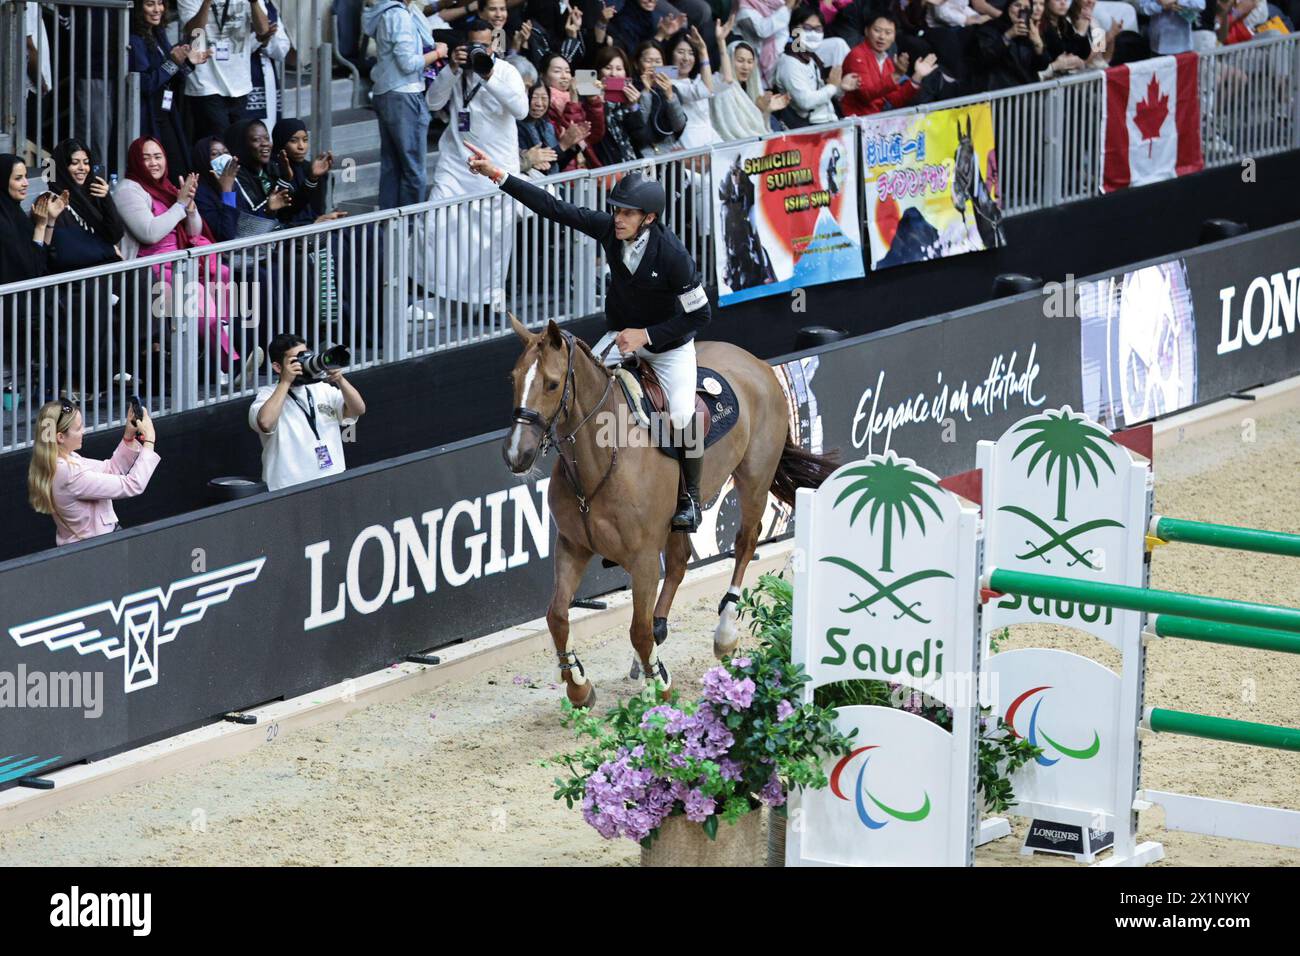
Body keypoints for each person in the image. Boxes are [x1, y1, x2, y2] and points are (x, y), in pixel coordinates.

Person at [467, 147, 712, 531]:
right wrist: (499, 176)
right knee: (574, 390)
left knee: (682, 417)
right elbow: (554, 208)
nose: (618, 219)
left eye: (627, 213)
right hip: (619, 336)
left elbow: (701, 314)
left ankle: (691, 499)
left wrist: (647, 334)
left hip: (668, 348)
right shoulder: (609, 231)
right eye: (616, 210)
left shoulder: (674, 257)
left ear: (648, 218)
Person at [425, 18, 528, 313]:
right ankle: (438, 294)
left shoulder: (507, 71)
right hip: (456, 164)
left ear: (494, 43)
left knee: (493, 241)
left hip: (496, 167)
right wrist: (452, 69)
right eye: (473, 46)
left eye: (483, 46)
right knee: (434, 224)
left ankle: (489, 300)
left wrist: (488, 75)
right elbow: (433, 103)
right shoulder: (456, 72)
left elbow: (521, 110)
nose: (477, 51)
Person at [116, 137, 242, 378]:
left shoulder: (167, 187)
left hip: (183, 259)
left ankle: (218, 349)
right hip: (154, 268)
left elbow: (194, 231)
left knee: (224, 273)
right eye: (146, 157)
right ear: (135, 161)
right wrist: (180, 205)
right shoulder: (128, 189)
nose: (153, 163)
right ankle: (231, 364)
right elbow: (150, 233)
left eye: (158, 156)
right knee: (200, 297)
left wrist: (190, 207)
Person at [28, 399, 160, 547]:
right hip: (97, 550)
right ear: (60, 437)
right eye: (78, 428)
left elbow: (110, 469)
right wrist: (150, 441)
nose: (83, 431)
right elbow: (133, 484)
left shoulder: (64, 460)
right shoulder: (69, 473)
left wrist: (128, 437)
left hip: (94, 546)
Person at [250, 333, 366, 491]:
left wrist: (340, 380)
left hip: (333, 479)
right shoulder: (267, 395)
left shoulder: (322, 388)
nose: (304, 363)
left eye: (306, 355)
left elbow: (358, 409)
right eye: (297, 359)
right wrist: (285, 382)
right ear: (278, 367)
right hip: (288, 488)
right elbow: (265, 423)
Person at [363, 0, 447, 209]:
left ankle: (389, 225)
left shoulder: (392, 11)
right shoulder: (399, 16)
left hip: (389, 93)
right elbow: (408, 63)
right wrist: (438, 53)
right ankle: (410, 226)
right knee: (413, 169)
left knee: (392, 166)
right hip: (404, 94)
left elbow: (424, 38)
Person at [130, 0, 211, 178]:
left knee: (178, 168)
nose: (157, 9)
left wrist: (188, 61)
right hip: (149, 116)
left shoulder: (158, 33)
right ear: (137, 8)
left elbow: (172, 76)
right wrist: (173, 63)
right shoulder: (135, 40)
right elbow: (145, 84)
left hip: (166, 111)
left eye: (160, 3)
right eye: (150, 4)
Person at [179, 0, 272, 138]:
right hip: (205, 83)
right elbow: (193, 31)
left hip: (239, 83)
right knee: (217, 144)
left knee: (238, 144)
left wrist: (254, 3)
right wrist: (206, 3)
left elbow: (263, 29)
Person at [46, 139, 126, 272]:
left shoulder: (91, 194)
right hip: (76, 278)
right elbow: (68, 251)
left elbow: (115, 235)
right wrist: (108, 249)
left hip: (102, 269)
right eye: (74, 163)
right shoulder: (52, 199)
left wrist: (107, 199)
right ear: (61, 166)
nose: (82, 168)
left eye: (86, 162)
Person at [773, 8, 859, 125]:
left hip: (826, 124)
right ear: (794, 30)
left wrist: (841, 87)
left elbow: (822, 93)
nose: (813, 34)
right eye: (807, 28)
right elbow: (805, 102)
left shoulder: (811, 58)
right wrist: (832, 87)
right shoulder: (789, 62)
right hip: (806, 132)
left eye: (818, 29)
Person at [840, 14, 938, 115]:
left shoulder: (887, 61)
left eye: (888, 33)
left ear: (894, 37)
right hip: (855, 120)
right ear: (866, 31)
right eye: (877, 30)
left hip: (877, 118)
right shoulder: (857, 55)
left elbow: (895, 100)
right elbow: (866, 95)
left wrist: (917, 77)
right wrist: (896, 75)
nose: (882, 36)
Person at [712, 37, 791, 137]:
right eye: (740, 61)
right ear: (728, 60)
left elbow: (755, 127)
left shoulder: (748, 90)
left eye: (750, 62)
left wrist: (765, 110)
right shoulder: (722, 89)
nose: (745, 67)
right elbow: (732, 132)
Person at [539, 52, 605, 170]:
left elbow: (594, 134)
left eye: (568, 71)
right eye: (557, 71)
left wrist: (593, 101)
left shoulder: (574, 99)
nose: (564, 76)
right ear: (542, 76)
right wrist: (573, 101)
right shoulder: (542, 104)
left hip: (584, 167)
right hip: (565, 173)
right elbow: (572, 134)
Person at [0, 155, 60, 285]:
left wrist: (47, 222)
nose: (26, 183)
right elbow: (31, 267)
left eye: (25, 176)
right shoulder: (4, 225)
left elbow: (41, 259)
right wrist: (39, 227)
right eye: (18, 178)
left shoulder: (16, 213)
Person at [591, 45, 653, 165]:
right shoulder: (590, 101)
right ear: (598, 72)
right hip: (607, 169)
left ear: (626, 74)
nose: (613, 74)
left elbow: (642, 141)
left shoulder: (629, 101)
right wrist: (597, 103)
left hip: (633, 165)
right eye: (608, 68)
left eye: (619, 69)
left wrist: (634, 107)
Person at [974, 0, 1052, 89]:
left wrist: (1038, 43)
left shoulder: (1030, 32)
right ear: (1008, 7)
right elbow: (984, 58)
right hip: (1000, 92)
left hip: (1028, 93)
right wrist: (1007, 36)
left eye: (1026, 8)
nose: (1021, 11)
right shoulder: (989, 28)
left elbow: (1042, 65)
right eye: (1017, 5)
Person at [669, 26, 723, 149]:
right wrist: (703, 51)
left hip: (711, 138)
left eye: (691, 53)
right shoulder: (670, 84)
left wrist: (721, 42)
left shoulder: (698, 79)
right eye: (680, 52)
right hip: (688, 143)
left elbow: (727, 80)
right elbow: (705, 90)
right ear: (670, 53)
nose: (686, 58)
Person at [517, 82, 584, 177]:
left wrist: (571, 146)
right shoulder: (517, 127)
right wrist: (563, 146)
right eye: (534, 97)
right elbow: (538, 168)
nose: (539, 104)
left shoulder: (547, 126)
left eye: (544, 98)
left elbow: (557, 165)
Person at [633, 40, 688, 155]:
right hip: (642, 153)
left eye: (658, 61)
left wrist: (670, 96)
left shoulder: (670, 89)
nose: (653, 66)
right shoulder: (632, 90)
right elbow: (639, 124)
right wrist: (646, 92)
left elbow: (678, 126)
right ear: (637, 64)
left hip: (667, 151)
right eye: (648, 61)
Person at [244, 0, 292, 131]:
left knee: (266, 133)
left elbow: (282, 48)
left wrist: (265, 42)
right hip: (239, 74)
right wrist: (259, 37)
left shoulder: (267, 4)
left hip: (265, 74)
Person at [1140, 0, 1206, 53]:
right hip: (1158, 46)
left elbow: (1201, 5)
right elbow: (1141, 8)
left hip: (1183, 45)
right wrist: (1161, 6)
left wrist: (1177, 1)